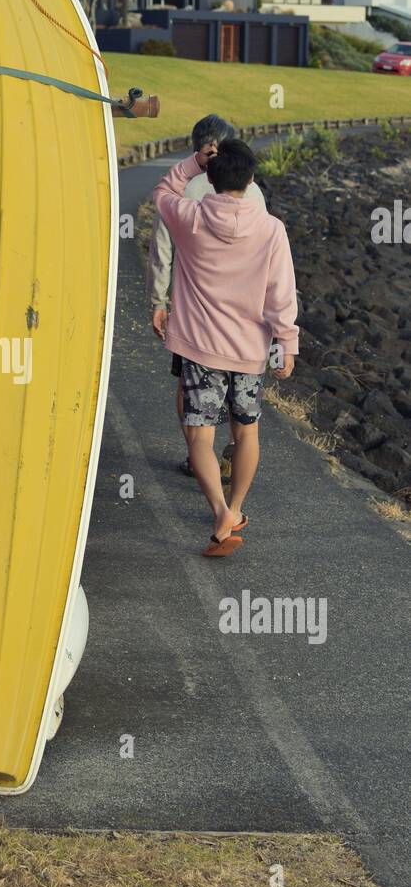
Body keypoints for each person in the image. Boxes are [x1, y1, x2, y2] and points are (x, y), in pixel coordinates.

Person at [151, 138, 298, 557]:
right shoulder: (271, 229)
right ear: (251, 179)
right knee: (247, 431)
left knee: (200, 435)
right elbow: (281, 293)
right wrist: (287, 342)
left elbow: (163, 190)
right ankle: (236, 507)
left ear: (212, 179)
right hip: (249, 351)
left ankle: (219, 510)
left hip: (200, 349)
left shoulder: (190, 218)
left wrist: (194, 163)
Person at [147, 114, 266, 478]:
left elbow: (162, 249)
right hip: (245, 318)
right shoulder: (254, 192)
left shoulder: (182, 192)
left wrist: (159, 301)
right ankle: (232, 455)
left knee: (191, 387)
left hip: (194, 312)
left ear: (195, 147)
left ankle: (199, 456)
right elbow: (264, 251)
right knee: (240, 401)